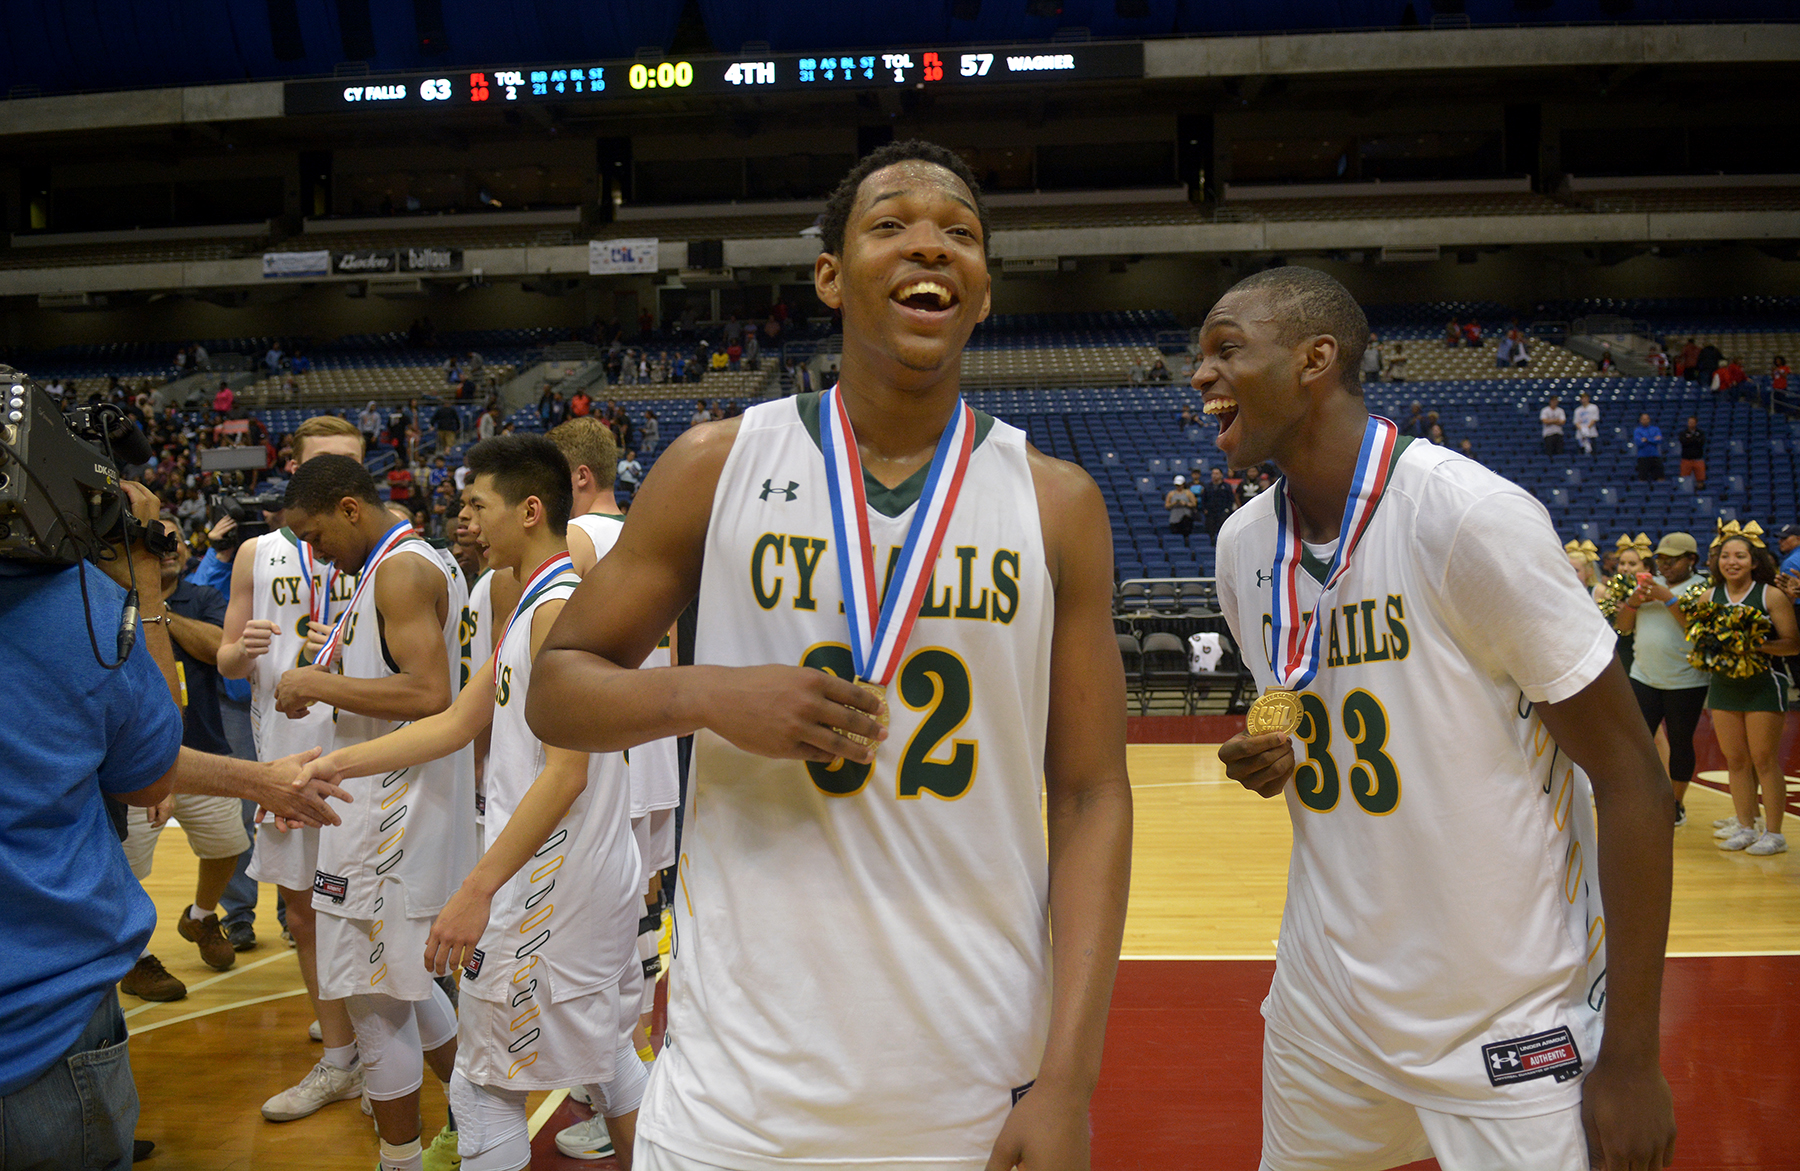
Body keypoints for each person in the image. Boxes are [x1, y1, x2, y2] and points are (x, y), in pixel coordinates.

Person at [527, 139, 1132, 1171]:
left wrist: (1069, 1080)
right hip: (735, 1087)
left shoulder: (1056, 502)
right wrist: (709, 695)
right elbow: (556, 688)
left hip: (969, 1078)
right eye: (891, 225)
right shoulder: (717, 463)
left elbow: (1089, 794)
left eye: (960, 232)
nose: (929, 245)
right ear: (829, 276)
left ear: (984, 291)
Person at [1202, 266, 1675, 1171]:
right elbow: (1348, 713)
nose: (1201, 374)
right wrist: (1278, 755)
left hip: (1508, 1010)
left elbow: (1633, 782)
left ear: (1315, 359)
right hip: (1324, 1004)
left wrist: (1633, 1055)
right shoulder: (1242, 546)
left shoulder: (1468, 517)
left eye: (1226, 348)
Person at [300, 436, 650, 1171]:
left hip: (550, 884)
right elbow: (457, 721)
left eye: (477, 505)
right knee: (609, 1054)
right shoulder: (536, 603)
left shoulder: (555, 610)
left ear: (529, 511)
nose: (465, 521)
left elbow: (566, 775)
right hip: (586, 874)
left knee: (482, 1089)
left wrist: (477, 888)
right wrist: (331, 763)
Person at [0, 480, 345, 1171]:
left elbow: (212, 658)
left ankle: (203, 916)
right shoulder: (82, 608)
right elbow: (150, 767)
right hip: (40, 1016)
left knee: (226, 846)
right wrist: (142, 591)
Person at [276, 455, 477, 1171]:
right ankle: (479, 1125)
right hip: (408, 808)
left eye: (316, 534)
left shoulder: (399, 571)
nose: (315, 551)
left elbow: (428, 693)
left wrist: (317, 682)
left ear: (350, 508)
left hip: (389, 818)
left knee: (370, 999)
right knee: (404, 984)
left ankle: (401, 1159)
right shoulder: (418, 561)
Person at [217, 416, 369, 1120]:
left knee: (367, 910)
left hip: (367, 756)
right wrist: (242, 647)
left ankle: (375, 1042)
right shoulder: (258, 552)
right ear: (295, 468)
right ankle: (341, 1056)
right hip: (284, 756)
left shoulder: (382, 549)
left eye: (351, 463)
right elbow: (227, 660)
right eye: (323, 463)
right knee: (304, 915)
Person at [544, 416, 682, 1161]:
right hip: (656, 755)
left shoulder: (578, 539)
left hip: (613, 755)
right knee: (640, 924)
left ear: (578, 477)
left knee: (602, 936)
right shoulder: (644, 535)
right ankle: (630, 1076)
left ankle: (617, 1088)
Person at [120, 519, 253, 983]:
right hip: (135, 759)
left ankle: (201, 915)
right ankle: (133, 956)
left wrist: (158, 609)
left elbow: (220, 650)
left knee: (228, 846)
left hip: (204, 748)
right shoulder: (114, 600)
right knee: (127, 867)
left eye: (174, 539)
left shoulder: (203, 598)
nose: (168, 548)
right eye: (157, 540)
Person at [1700, 526, 1797, 856]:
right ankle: (1745, 826)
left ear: (1754, 562)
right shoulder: (1708, 597)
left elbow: (1792, 644)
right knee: (1736, 760)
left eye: (1740, 556)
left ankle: (1775, 833)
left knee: (1764, 760)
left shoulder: (1771, 595)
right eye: (1726, 556)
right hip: (1724, 685)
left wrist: (1756, 645)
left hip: (1763, 686)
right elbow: (1701, 639)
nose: (1732, 562)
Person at [1614, 532, 1709, 825]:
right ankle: (1641, 797)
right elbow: (1623, 628)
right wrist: (1633, 602)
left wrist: (1667, 598)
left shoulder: (1702, 588)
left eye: (1673, 560)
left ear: (1691, 559)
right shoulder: (1647, 585)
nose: (1665, 565)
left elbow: (1697, 629)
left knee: (1680, 743)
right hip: (1643, 676)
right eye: (1661, 559)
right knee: (1637, 743)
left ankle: (1676, 803)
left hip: (1686, 680)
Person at [1200, 466, 1236, 544]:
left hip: (1222, 512)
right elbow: (1203, 499)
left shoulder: (1226, 486)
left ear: (1221, 475)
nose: (1214, 475)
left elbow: (1231, 499)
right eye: (1213, 473)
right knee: (1210, 529)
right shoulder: (1207, 486)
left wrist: (1227, 509)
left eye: (1217, 473)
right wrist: (1205, 509)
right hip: (1211, 513)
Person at [1165, 473, 1198, 547]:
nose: (1178, 487)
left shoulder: (1188, 493)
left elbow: (1194, 504)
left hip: (1186, 518)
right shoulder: (1171, 494)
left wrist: (1185, 504)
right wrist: (1173, 504)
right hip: (1174, 518)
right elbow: (1167, 505)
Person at [1677, 416, 1706, 488]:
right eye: (1690, 422)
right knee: (1684, 478)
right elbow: (1684, 442)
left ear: (1696, 423)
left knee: (1700, 480)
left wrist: (1690, 439)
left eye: (1693, 422)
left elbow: (1701, 442)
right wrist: (1695, 440)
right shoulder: (1683, 433)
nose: (1691, 424)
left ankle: (1700, 491)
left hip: (1698, 459)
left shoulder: (1701, 433)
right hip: (1686, 459)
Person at [1633, 414, 1664, 482]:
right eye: (1643, 419)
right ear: (1640, 420)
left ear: (1649, 420)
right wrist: (1653, 439)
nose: (1645, 421)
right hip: (1643, 457)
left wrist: (1647, 440)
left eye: (1646, 419)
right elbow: (1639, 443)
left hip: (1654, 456)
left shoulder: (1655, 429)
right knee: (1642, 478)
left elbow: (1659, 440)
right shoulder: (1637, 431)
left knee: (1660, 478)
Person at [1572, 392, 1599, 456]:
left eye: (1585, 398)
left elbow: (1594, 419)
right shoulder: (1578, 410)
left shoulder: (1593, 407)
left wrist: (1587, 428)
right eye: (1582, 398)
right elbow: (1576, 422)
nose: (1584, 400)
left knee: (1592, 451)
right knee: (1581, 452)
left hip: (1591, 433)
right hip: (1580, 434)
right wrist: (1582, 429)